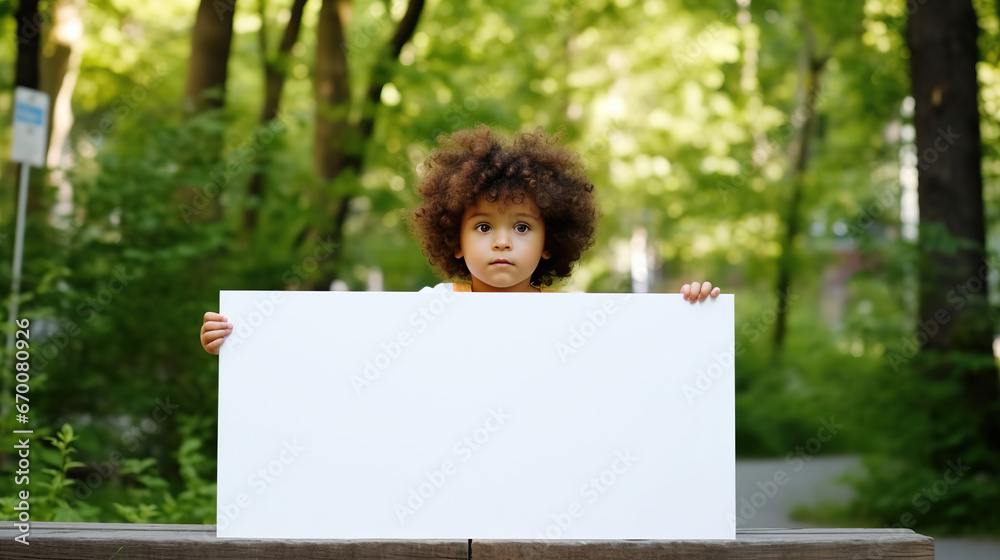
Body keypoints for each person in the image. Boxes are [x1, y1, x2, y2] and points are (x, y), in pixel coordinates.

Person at [200, 125, 720, 354]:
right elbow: (344, 342)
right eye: (482, 226)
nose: (501, 242)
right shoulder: (433, 308)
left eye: (521, 227)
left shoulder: (570, 316)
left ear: (547, 243)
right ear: (454, 239)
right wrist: (251, 340)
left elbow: (635, 353)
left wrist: (687, 315)